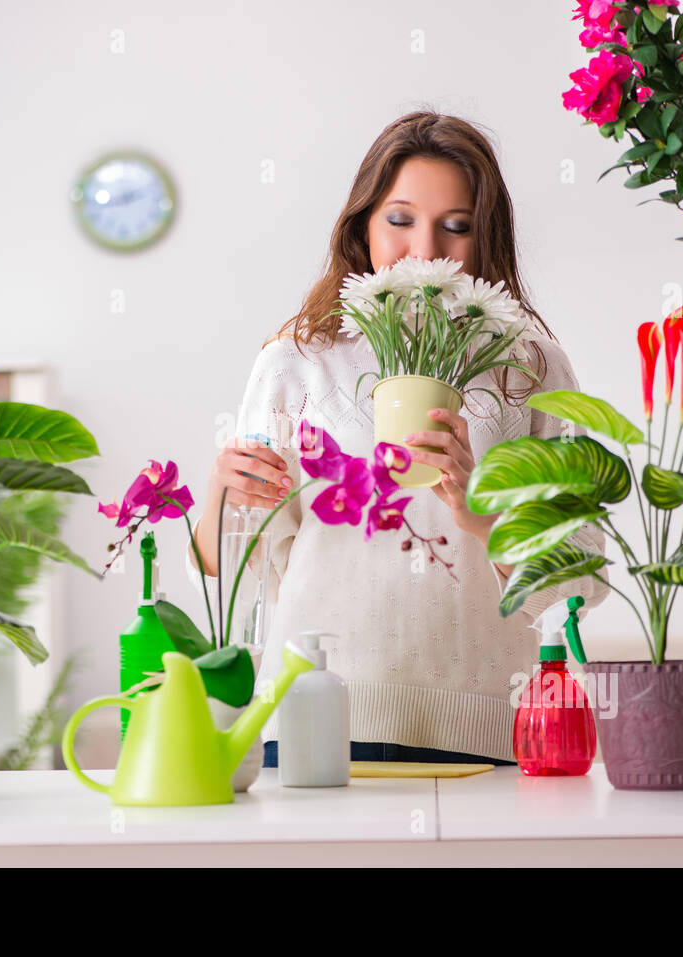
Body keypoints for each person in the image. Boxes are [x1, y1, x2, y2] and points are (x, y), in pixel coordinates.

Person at [185, 111, 609, 767]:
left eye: (456, 225)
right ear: (363, 223)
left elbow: (582, 574)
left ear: (485, 233)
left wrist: (481, 515)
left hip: (486, 723)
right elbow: (227, 573)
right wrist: (220, 490)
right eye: (401, 218)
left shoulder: (533, 364)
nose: (425, 249)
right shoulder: (298, 359)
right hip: (312, 715)